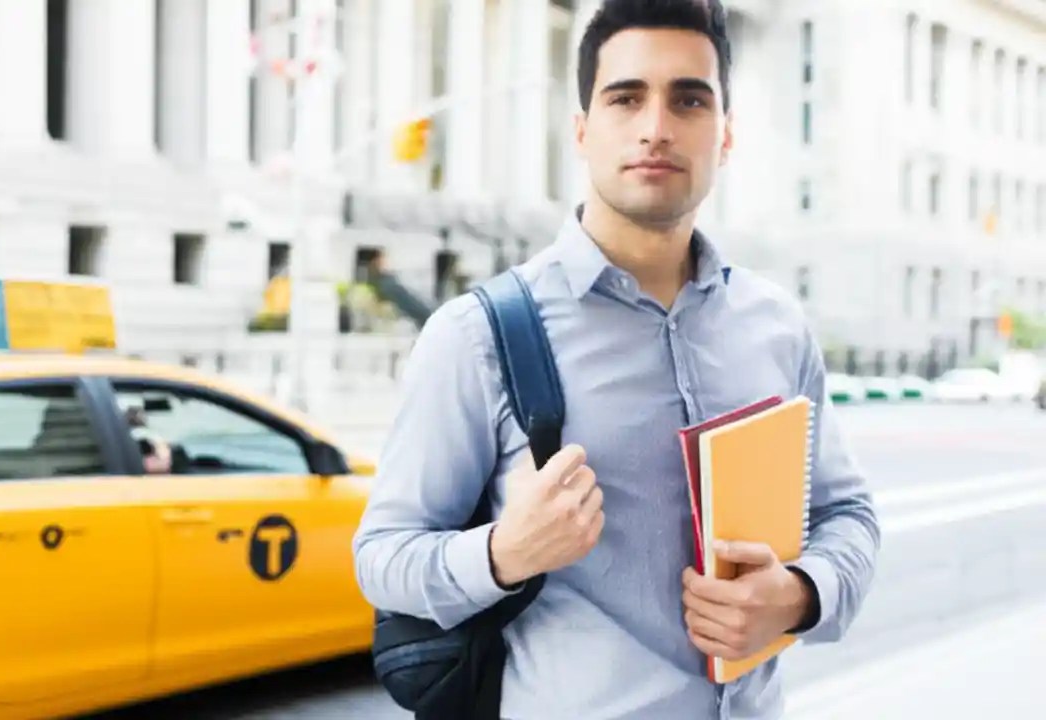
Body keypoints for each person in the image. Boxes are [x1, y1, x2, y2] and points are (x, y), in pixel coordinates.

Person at [351, 1, 880, 718]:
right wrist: (504, 552)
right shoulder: (475, 335)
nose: (656, 126)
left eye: (689, 99)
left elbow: (845, 512)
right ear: (582, 131)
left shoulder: (776, 326)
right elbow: (382, 558)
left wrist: (799, 594)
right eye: (626, 97)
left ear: (725, 135)